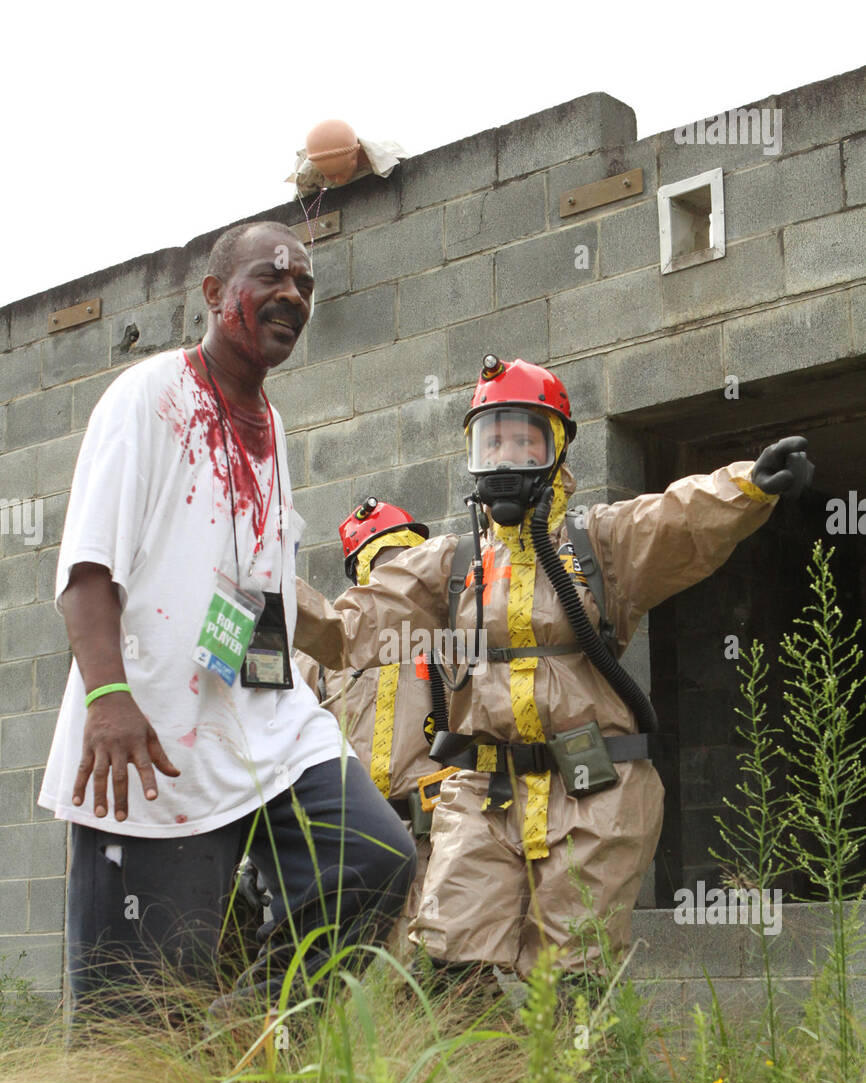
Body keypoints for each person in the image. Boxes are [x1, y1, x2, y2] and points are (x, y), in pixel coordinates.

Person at [293, 354, 815, 991]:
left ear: (556, 447)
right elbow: (350, 624)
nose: (508, 453)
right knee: (446, 969)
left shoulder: (602, 545)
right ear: (473, 453)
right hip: (483, 796)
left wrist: (749, 485)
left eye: (525, 437)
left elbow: (676, 519)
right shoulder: (450, 564)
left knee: (571, 983)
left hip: (594, 790)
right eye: (494, 438)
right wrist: (261, 591)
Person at [37, 220, 416, 1025]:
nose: (292, 295)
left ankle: (251, 1023)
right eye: (270, 277)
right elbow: (85, 568)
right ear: (213, 294)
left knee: (376, 853)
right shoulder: (150, 398)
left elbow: (252, 585)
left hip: (260, 728)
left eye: (306, 285)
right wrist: (108, 695)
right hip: (150, 749)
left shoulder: (272, 428)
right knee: (138, 1021)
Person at [296, 499, 450, 957]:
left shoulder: (453, 642)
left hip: (437, 840)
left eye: (405, 557)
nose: (397, 570)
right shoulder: (321, 659)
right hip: (353, 843)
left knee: (439, 962)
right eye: (382, 561)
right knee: (354, 964)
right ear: (360, 573)